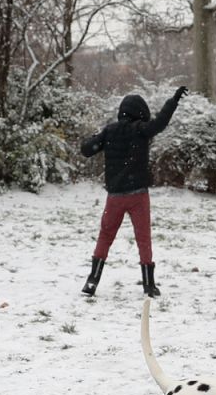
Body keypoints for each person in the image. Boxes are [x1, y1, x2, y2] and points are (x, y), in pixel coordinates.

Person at [80, 86, 186, 298]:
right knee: (143, 238)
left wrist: (93, 138)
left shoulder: (109, 131)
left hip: (115, 196)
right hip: (138, 195)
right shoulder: (141, 129)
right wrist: (173, 101)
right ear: (140, 112)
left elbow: (86, 150)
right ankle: (149, 284)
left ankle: (92, 280)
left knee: (105, 236)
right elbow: (160, 122)